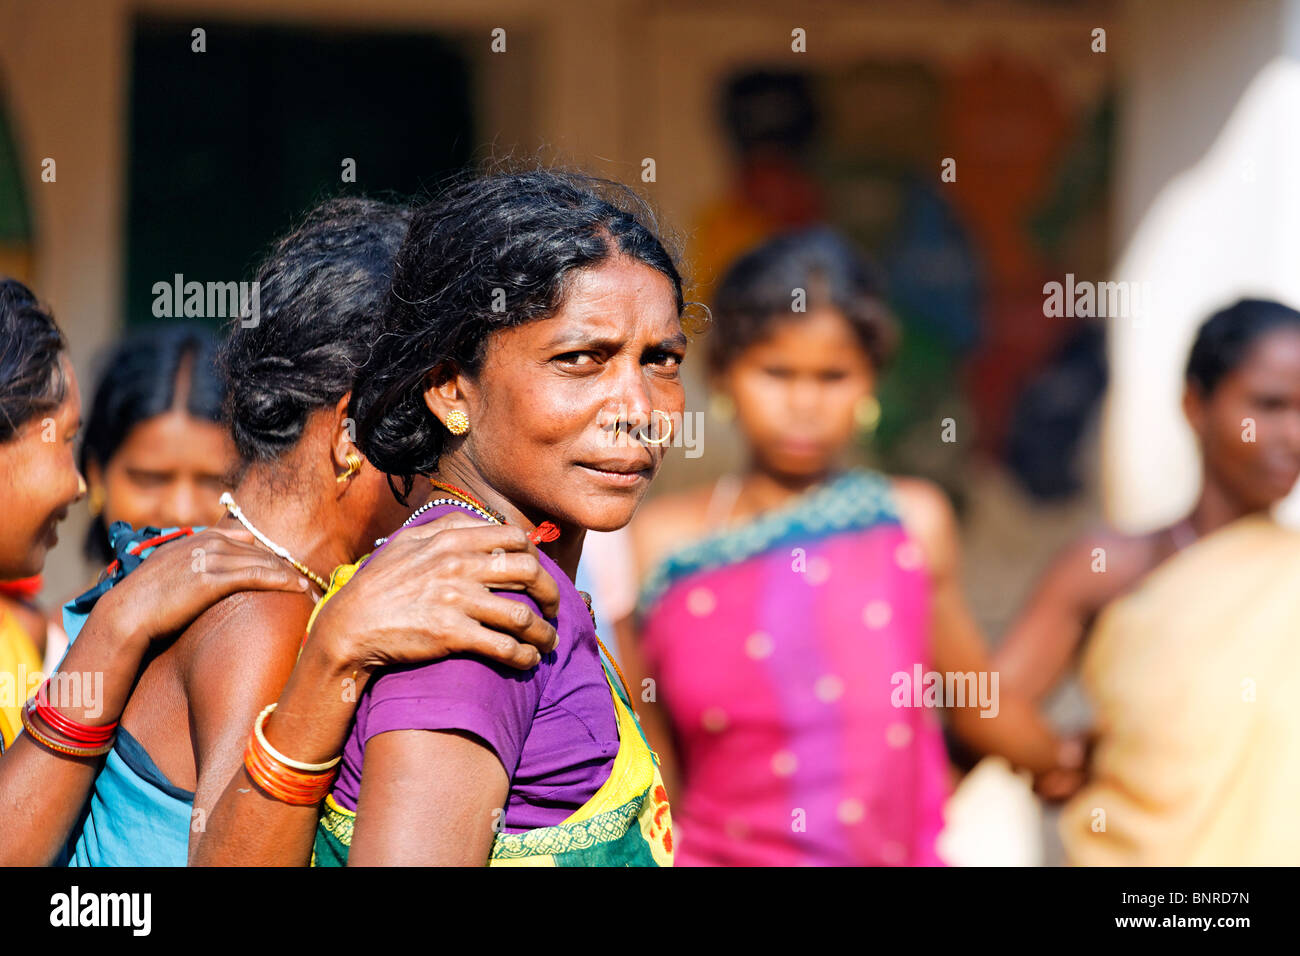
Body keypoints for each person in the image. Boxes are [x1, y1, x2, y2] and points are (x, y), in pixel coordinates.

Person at [63, 197, 557, 866]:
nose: (450, 461)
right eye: (434, 423)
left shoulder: (219, 571)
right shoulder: (264, 616)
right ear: (355, 433)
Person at [617, 228, 1080, 866]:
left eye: (833, 376)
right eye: (776, 373)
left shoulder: (908, 523)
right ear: (723, 374)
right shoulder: (662, 541)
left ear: (870, 384)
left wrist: (1061, 758)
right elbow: (652, 755)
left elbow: (975, 702)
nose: (804, 404)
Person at [310, 168, 683, 867]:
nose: (639, 410)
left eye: (661, 360)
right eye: (581, 359)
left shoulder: (506, 574)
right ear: (452, 387)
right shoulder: (477, 615)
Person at [0, 277, 317, 865]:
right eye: (149, 478)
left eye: (212, 482)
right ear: (97, 472)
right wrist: (119, 621)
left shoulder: (267, 625)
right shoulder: (27, 642)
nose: (178, 510)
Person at [992, 299, 1300, 864]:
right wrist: (1054, 756)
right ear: (1195, 405)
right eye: (1270, 406)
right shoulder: (1111, 566)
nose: (1293, 435)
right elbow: (986, 707)